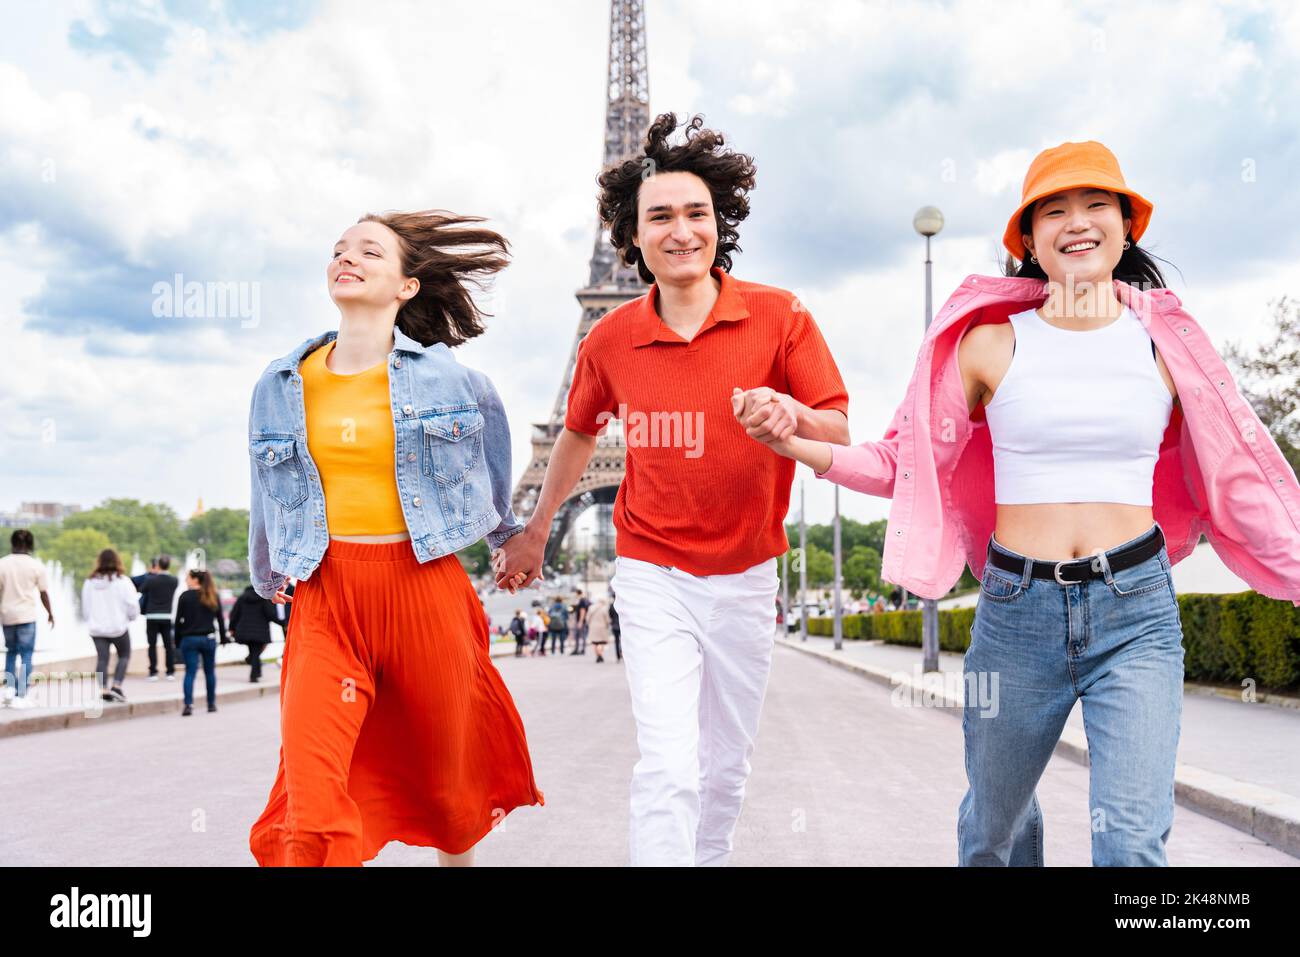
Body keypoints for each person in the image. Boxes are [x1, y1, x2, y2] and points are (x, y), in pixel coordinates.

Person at [743, 140, 1300, 866]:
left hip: (1136, 613)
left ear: (1126, 226)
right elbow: (903, 464)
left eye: (1097, 204)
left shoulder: (1168, 345)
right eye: (1054, 210)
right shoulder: (988, 346)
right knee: (992, 837)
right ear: (1028, 241)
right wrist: (798, 443)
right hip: (1015, 617)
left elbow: (1240, 479)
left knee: (1131, 845)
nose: (1078, 221)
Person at [494, 113, 849, 866]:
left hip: (748, 573)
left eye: (697, 213)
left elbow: (840, 429)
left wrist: (792, 413)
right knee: (667, 765)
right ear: (632, 233)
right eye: (661, 216)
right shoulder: (610, 337)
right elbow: (581, 431)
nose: (682, 230)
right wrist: (535, 526)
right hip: (652, 572)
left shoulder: (782, 315)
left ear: (720, 221)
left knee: (724, 769)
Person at [245, 210, 543, 867]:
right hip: (326, 597)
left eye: (370, 252)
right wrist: (266, 574)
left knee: (449, 793)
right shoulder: (279, 383)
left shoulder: (455, 382)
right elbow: (265, 493)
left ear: (407, 285)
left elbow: (492, 468)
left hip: (424, 590)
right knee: (313, 798)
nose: (347, 258)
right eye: (339, 249)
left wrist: (508, 536)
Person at [0, 529, 53, 709]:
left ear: (12, 542)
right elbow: (43, 593)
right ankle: (21, 693)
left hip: (7, 615)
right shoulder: (35, 565)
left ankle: (8, 688)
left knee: (11, 651)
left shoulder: (3, 564)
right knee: (26, 655)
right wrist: (50, 613)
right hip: (26, 616)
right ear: (30, 544)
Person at [81, 548, 140, 704]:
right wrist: (131, 617)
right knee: (124, 655)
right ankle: (117, 685)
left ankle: (103, 689)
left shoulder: (89, 582)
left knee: (102, 659)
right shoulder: (123, 581)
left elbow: (85, 608)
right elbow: (133, 604)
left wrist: (92, 620)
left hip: (97, 628)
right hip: (118, 626)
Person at [174, 568, 228, 715]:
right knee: (209, 672)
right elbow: (220, 620)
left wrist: (177, 641)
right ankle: (211, 704)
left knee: (190, 672)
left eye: (188, 578)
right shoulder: (213, 595)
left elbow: (178, 621)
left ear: (195, 580)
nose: (186, 580)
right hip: (209, 639)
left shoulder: (184, 596)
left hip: (189, 639)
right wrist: (223, 638)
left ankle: (188, 705)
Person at [134, 555, 180, 681]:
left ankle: (153, 672)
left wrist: (151, 574)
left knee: (152, 645)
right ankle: (170, 671)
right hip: (166, 616)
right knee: (168, 646)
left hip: (152, 616)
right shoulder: (174, 580)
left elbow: (141, 590)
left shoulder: (151, 580)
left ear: (157, 565)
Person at [229, 584, 281, 682]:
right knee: (256, 652)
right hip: (260, 631)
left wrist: (231, 628)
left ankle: (255, 669)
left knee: (253, 651)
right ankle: (254, 674)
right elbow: (270, 614)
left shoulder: (242, 598)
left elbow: (234, 614)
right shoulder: (263, 598)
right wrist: (283, 623)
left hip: (245, 630)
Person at [570, 589, 591, 655]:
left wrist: (580, 621)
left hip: (581, 620)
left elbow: (583, 611)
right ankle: (580, 649)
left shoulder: (582, 600)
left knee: (579, 635)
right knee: (581, 635)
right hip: (582, 620)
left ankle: (579, 649)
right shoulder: (584, 600)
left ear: (577, 593)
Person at [607, 585, 622, 662]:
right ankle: (622, 652)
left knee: (616, 641)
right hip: (622, 625)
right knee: (623, 641)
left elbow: (610, 615)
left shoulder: (612, 606)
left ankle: (618, 656)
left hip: (614, 626)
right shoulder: (622, 604)